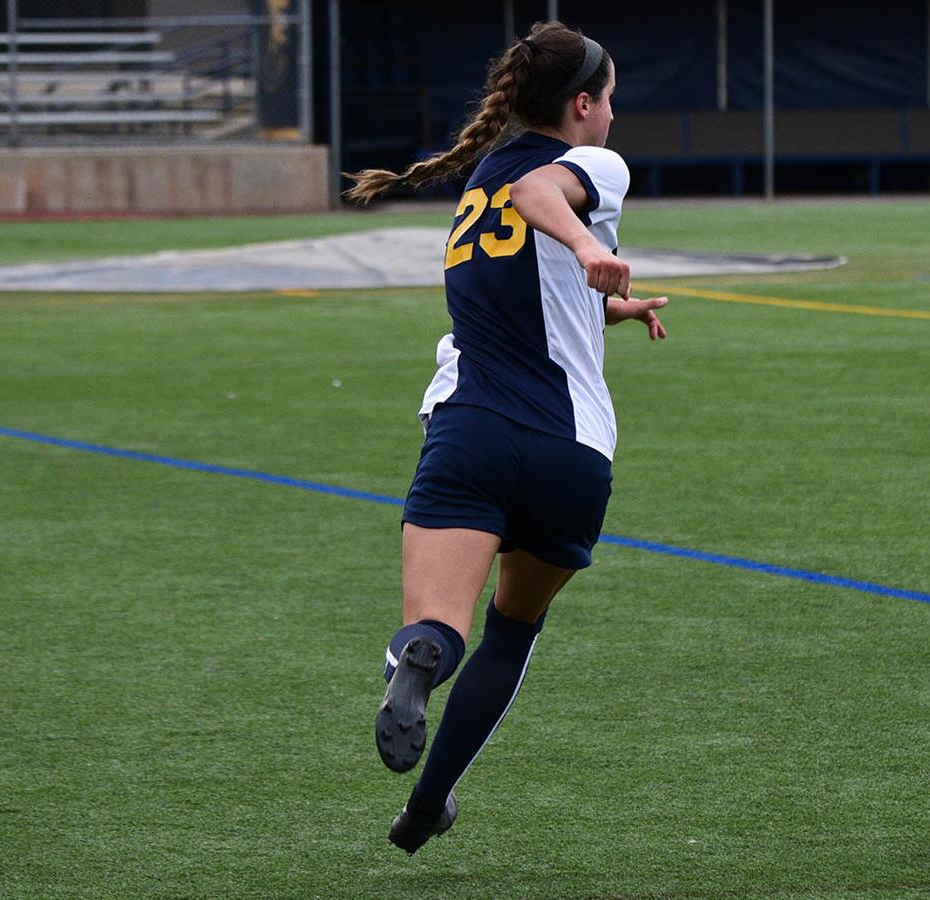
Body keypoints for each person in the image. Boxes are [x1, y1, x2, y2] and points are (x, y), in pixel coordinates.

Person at [345, 21, 668, 855]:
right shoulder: (594, 165)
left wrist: (605, 307)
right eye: (610, 100)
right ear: (582, 104)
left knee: (436, 627)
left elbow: (522, 275)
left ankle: (421, 655)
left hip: (473, 434)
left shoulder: (479, 180)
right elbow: (541, 196)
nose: (612, 116)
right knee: (514, 628)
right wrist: (590, 245)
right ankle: (426, 807)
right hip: (571, 454)